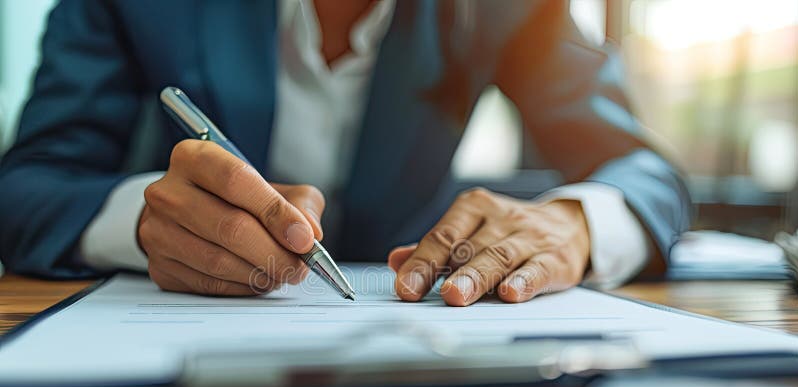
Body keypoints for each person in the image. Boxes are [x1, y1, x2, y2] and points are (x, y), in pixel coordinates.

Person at [0, 0, 690, 307]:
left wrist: (574, 222)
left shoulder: (512, 5)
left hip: (418, 364)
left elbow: (647, 173)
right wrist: (143, 220)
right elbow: (27, 187)